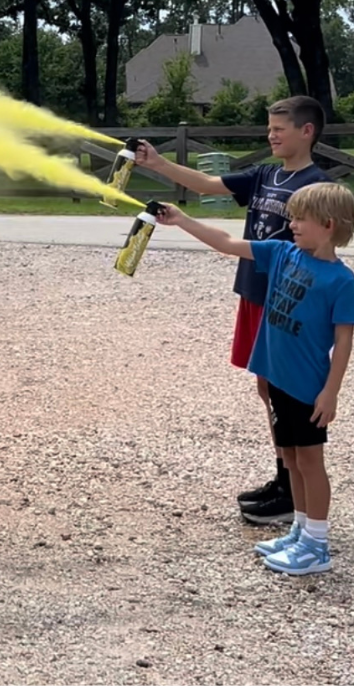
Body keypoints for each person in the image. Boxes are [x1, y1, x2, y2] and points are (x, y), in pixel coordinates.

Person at [136, 96, 330, 524]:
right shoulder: (265, 174)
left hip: (286, 303)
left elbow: (325, 248)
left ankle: (292, 492)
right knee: (267, 390)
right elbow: (207, 185)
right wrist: (157, 164)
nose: (271, 135)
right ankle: (285, 479)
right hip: (253, 294)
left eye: (279, 128)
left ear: (307, 131)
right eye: (269, 128)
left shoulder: (316, 187)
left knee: (286, 392)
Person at [156, 183, 354, 574]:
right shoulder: (282, 253)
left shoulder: (342, 282)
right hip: (278, 380)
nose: (291, 224)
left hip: (306, 388)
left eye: (299, 218)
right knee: (292, 460)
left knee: (311, 462)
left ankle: (317, 545)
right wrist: (181, 220)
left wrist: (331, 393)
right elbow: (227, 243)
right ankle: (300, 530)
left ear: (328, 224)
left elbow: (345, 341)